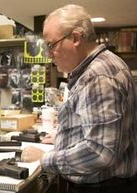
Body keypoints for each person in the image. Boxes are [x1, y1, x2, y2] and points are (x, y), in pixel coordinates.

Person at [21, 4, 137, 193]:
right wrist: (64, 136)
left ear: (75, 38)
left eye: (51, 45)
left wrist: (44, 159)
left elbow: (99, 151)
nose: (49, 54)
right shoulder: (101, 67)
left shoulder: (98, 77)